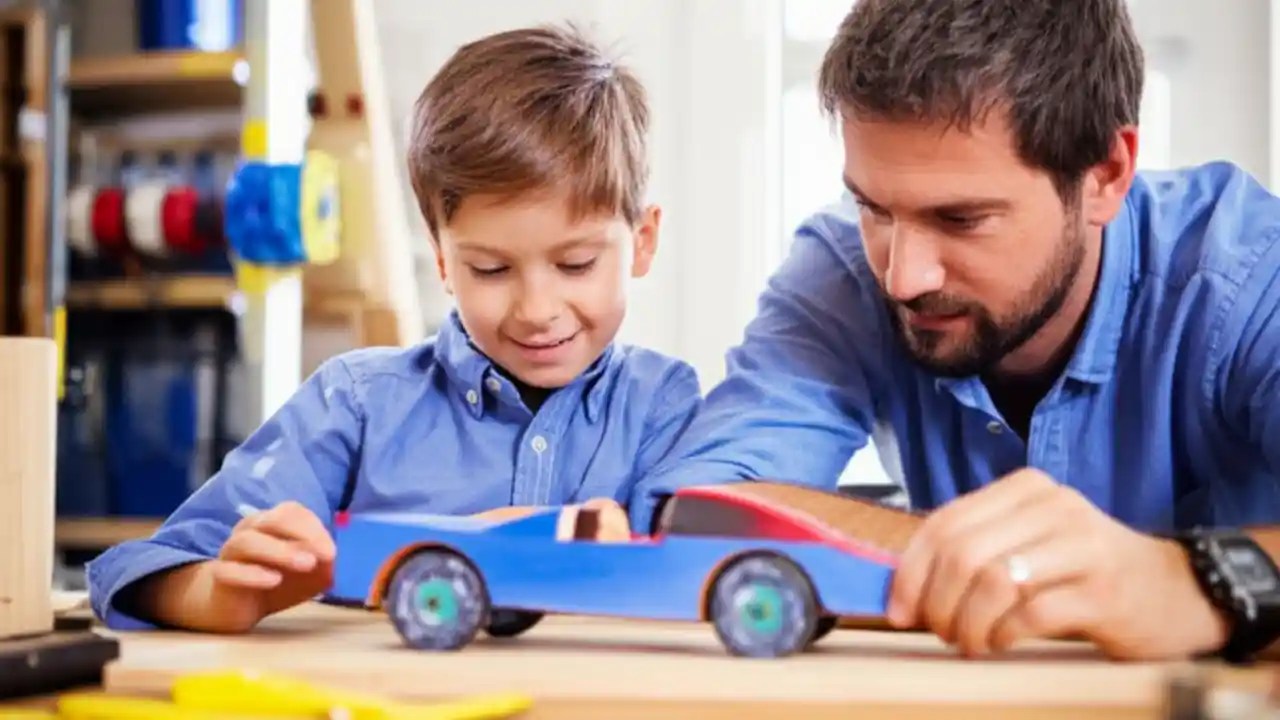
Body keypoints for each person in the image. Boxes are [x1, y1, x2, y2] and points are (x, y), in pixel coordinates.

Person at [638, 0, 1280, 662]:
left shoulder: (1251, 274)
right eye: (873, 207)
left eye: (961, 219)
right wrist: (992, 564)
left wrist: (1189, 581)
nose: (902, 277)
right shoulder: (843, 272)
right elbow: (697, 517)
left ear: (1104, 175)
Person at [86, 24, 700, 634]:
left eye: (576, 264)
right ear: (442, 263)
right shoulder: (355, 403)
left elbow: (695, 584)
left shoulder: (664, 408)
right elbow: (143, 566)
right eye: (490, 268)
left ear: (642, 241)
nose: (536, 308)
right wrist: (218, 592)